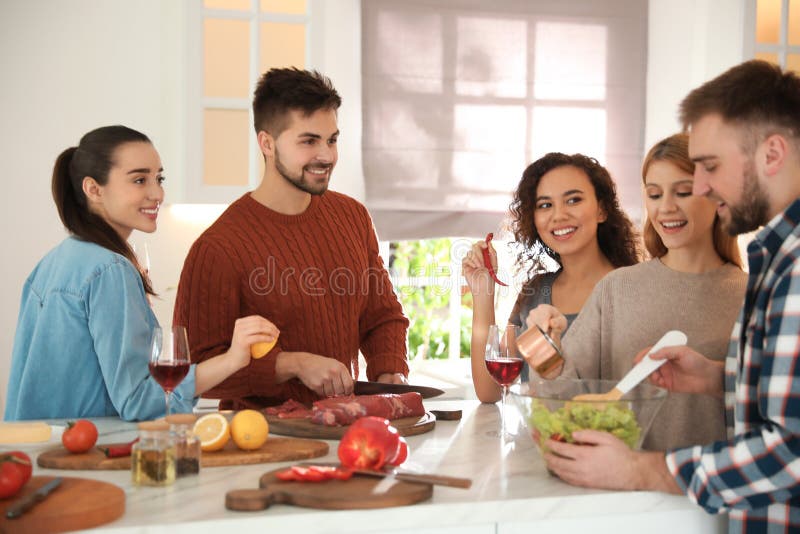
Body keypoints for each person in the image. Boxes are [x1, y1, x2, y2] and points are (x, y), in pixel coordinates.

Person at [539, 60, 800, 533]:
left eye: (709, 169)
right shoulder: (774, 261)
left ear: (773, 153)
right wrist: (720, 378)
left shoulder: (788, 269)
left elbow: (791, 451)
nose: (699, 188)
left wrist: (642, 469)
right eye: (657, 192)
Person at [5, 125, 278, 421]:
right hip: (92, 457)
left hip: (35, 455)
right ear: (93, 189)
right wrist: (232, 359)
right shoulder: (110, 271)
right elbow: (138, 400)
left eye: (158, 178)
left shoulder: (52, 263)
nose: (157, 192)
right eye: (139, 180)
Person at [173, 68, 409, 410]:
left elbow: (382, 315)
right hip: (262, 443)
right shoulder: (218, 248)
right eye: (309, 141)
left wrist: (389, 370)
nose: (327, 155)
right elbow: (193, 371)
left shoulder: (352, 217)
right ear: (267, 143)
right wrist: (292, 364)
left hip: (344, 428)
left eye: (332, 140)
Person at [527, 133, 746, 450]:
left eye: (682, 192)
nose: (666, 208)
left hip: (707, 491)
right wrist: (543, 345)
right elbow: (554, 399)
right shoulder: (617, 289)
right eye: (655, 195)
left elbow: (772, 414)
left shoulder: (753, 297)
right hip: (619, 488)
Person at [462, 153, 640, 402]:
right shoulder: (535, 290)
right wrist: (483, 292)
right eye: (545, 205)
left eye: (573, 200)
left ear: (602, 209)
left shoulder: (633, 290)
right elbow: (490, 391)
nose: (558, 215)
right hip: (537, 439)